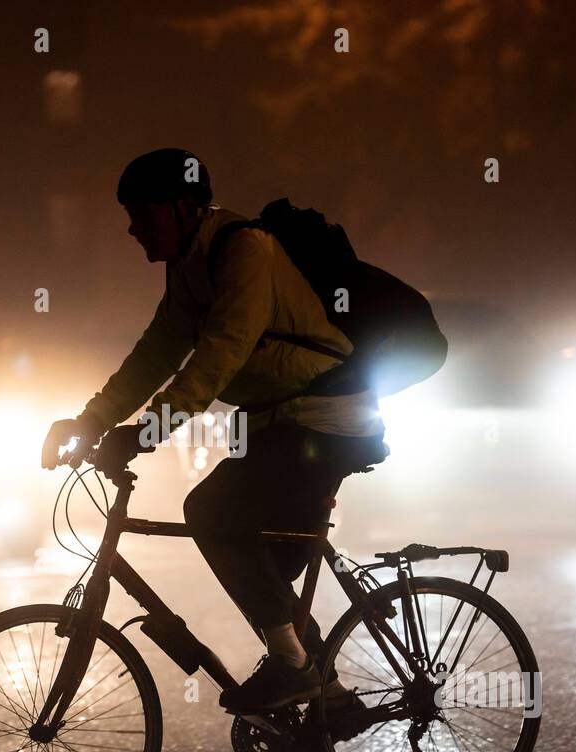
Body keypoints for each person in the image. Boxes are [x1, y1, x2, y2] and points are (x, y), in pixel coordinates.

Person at [41, 148, 387, 714]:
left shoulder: (244, 250)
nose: (132, 229)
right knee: (263, 576)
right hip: (278, 423)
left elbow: (219, 355)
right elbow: (155, 355)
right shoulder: (190, 265)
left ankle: (297, 671)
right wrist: (91, 420)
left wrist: (146, 432)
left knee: (213, 511)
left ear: (184, 208)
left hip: (327, 421)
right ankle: (326, 694)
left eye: (143, 215)